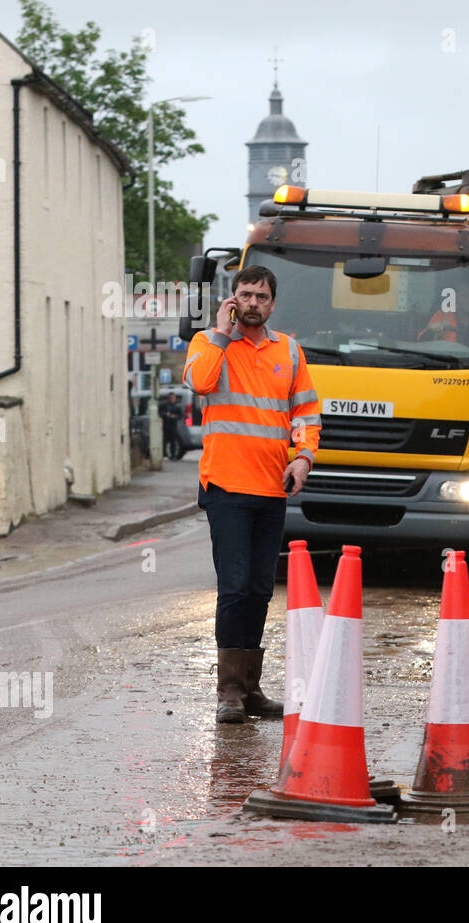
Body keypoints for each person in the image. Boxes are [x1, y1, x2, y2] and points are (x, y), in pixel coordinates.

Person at [184, 264, 322, 723]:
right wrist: (222, 334)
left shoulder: (290, 351)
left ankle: (251, 688)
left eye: (261, 297)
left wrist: (302, 458)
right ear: (232, 299)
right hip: (225, 486)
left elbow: (305, 413)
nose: (253, 304)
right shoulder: (208, 344)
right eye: (245, 295)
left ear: (272, 303)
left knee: (261, 590)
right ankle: (228, 693)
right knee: (235, 587)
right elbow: (200, 383)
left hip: (271, 488)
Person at [159, 393, 185, 460]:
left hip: (173, 425)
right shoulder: (164, 405)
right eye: (170, 398)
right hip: (165, 425)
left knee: (173, 441)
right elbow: (160, 412)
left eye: (173, 398)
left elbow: (180, 416)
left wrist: (174, 416)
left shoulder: (177, 407)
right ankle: (164, 455)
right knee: (164, 441)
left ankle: (173, 455)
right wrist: (166, 414)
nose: (172, 399)